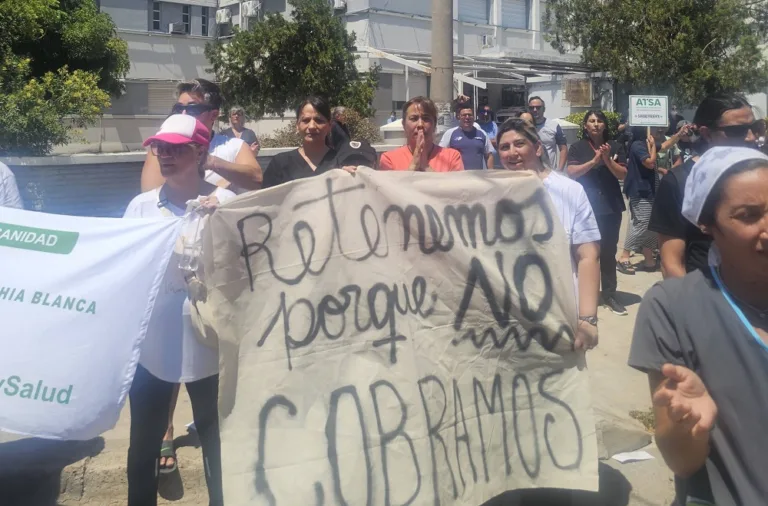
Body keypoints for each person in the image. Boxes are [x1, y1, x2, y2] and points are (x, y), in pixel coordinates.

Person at [629, 146, 768, 506]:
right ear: (707, 225)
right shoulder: (674, 307)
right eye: (749, 216)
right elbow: (682, 461)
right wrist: (687, 426)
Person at [124, 114, 234, 506]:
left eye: (175, 148)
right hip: (153, 348)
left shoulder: (227, 204)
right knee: (143, 447)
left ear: (200, 151)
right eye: (159, 147)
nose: (164, 155)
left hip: (210, 346)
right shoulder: (140, 209)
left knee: (217, 442)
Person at [496, 118, 600, 350]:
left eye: (519, 144)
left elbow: (588, 256)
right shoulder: (491, 194)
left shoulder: (570, 191)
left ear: (538, 148)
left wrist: (588, 319)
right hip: (508, 319)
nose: (512, 152)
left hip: (560, 316)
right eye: (504, 147)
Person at [649, 93, 760, 279]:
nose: (750, 137)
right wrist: (697, 305)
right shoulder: (679, 181)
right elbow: (672, 263)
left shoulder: (761, 174)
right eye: (737, 131)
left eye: (755, 128)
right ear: (706, 133)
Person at [140, 79, 262, 193]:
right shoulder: (162, 147)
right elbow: (151, 195)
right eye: (178, 108)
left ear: (214, 115)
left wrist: (211, 162)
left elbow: (256, 180)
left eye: (193, 109)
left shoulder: (235, 146)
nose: (183, 114)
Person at [567, 110, 629, 316]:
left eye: (599, 121)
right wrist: (594, 162)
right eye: (591, 121)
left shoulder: (616, 146)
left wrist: (607, 159)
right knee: (584, 252)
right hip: (585, 207)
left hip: (610, 206)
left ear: (604, 125)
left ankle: (609, 294)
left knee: (608, 252)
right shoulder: (577, 147)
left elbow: (623, 174)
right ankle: (583, 294)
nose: (595, 124)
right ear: (585, 126)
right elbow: (571, 173)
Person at [263, 97, 343, 188]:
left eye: (319, 120)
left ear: (330, 126)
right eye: (305, 120)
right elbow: (266, 200)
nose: (312, 126)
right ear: (297, 125)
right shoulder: (280, 163)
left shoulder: (342, 162)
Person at [379, 96, 464, 172]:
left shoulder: (452, 157)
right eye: (414, 119)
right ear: (404, 125)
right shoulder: (389, 159)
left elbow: (454, 189)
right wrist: (414, 164)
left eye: (426, 119)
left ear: (434, 124)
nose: (420, 124)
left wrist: (426, 167)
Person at [616, 126, 659, 274]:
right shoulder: (638, 145)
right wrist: (653, 146)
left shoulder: (647, 144)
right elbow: (650, 162)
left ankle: (648, 258)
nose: (657, 131)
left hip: (651, 192)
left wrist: (678, 135)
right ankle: (624, 257)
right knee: (641, 224)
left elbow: (666, 145)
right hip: (641, 192)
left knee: (652, 225)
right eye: (655, 128)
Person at [439, 102, 494, 170]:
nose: (467, 117)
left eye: (469, 115)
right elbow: (441, 154)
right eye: (464, 115)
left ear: (473, 117)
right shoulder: (450, 133)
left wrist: (490, 172)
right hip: (457, 177)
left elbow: (488, 155)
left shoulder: (482, 134)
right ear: (459, 117)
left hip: (478, 177)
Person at [528, 96, 568, 171]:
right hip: (531, 173)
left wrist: (559, 170)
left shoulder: (554, 126)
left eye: (538, 107)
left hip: (550, 172)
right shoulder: (524, 126)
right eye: (531, 107)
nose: (535, 110)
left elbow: (563, 149)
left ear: (544, 109)